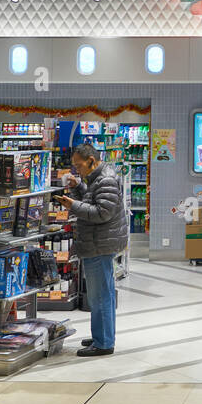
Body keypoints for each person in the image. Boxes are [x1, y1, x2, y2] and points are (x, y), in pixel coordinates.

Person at [55, 142, 130, 357]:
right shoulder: (98, 177)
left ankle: (104, 343)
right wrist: (78, 187)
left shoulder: (105, 179)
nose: (76, 170)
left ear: (91, 161)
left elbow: (102, 212)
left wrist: (73, 206)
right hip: (98, 242)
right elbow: (93, 197)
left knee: (100, 297)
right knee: (101, 294)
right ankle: (101, 335)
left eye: (79, 166)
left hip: (100, 244)